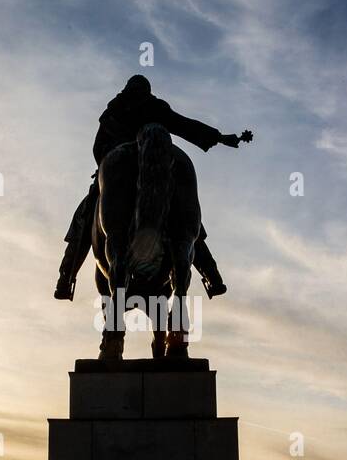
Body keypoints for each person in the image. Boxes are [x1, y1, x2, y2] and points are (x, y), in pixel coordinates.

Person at [54, 74, 249, 301]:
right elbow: (184, 125)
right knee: (189, 222)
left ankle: (66, 278)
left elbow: (98, 148)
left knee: (86, 216)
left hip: (115, 170)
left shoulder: (113, 111)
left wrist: (106, 168)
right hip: (158, 165)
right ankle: (212, 275)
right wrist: (219, 137)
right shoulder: (154, 107)